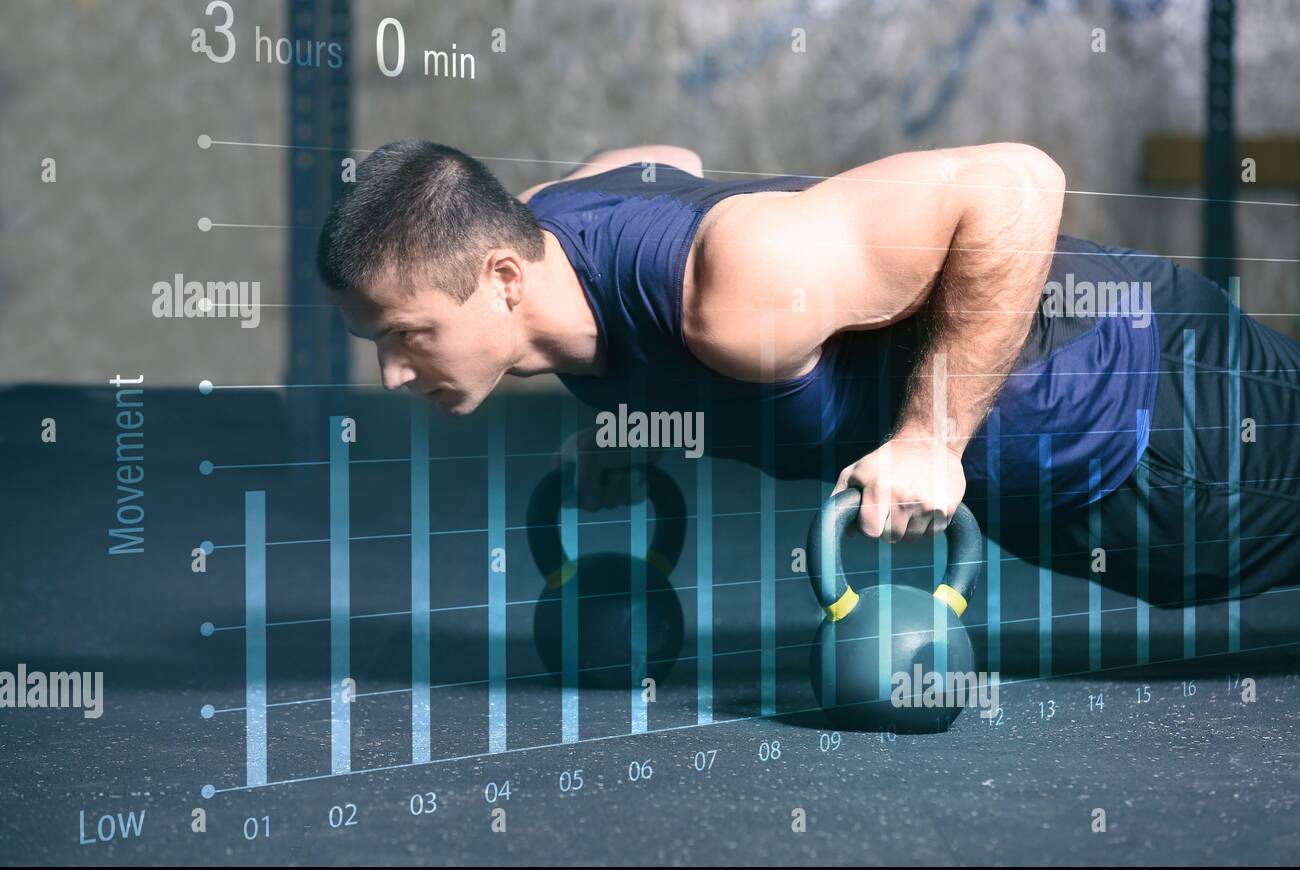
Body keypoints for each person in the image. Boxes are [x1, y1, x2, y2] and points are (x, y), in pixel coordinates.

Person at [317, 139, 1300, 606]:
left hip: (1169, 430)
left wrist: (931, 436)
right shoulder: (536, 223)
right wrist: (631, 417)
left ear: (497, 280)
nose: (395, 374)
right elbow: (666, 161)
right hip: (1080, 466)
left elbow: (1015, 184)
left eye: (409, 335)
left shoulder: (739, 291)